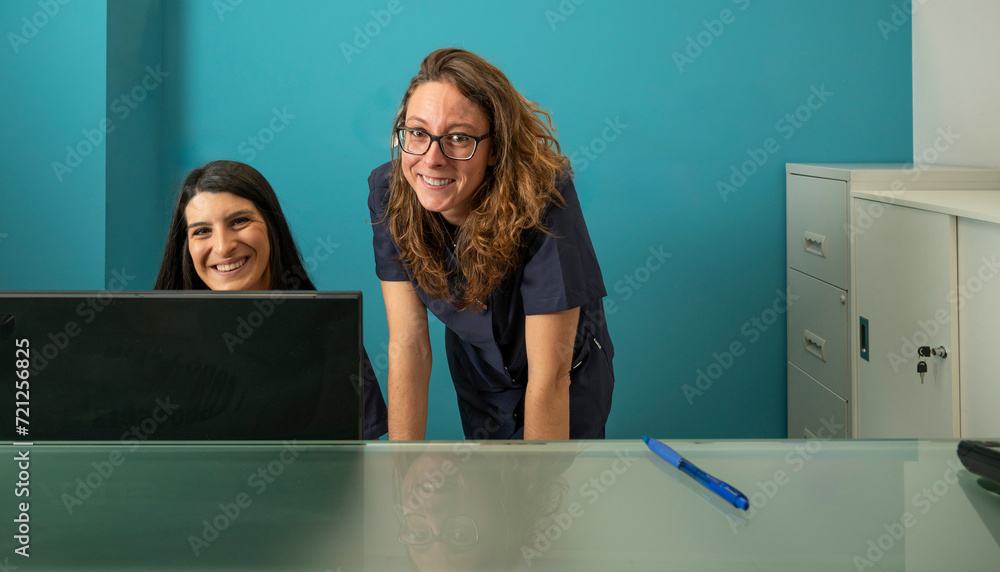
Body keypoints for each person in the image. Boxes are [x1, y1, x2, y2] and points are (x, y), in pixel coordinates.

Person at [369, 48, 614, 440]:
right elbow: (408, 346)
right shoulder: (389, 193)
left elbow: (549, 379)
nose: (432, 158)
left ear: (495, 148)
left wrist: (538, 480)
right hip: (483, 383)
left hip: (563, 383)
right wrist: (401, 468)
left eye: (458, 138)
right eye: (417, 133)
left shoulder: (544, 200)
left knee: (549, 477)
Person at [156, 159, 387, 439]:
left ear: (272, 226)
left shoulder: (331, 330)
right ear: (186, 247)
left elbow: (358, 457)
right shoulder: (161, 343)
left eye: (239, 221)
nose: (223, 247)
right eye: (202, 231)